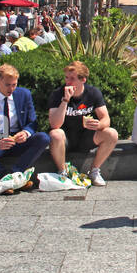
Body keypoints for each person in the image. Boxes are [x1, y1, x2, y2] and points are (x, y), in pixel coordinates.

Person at [0, 63, 51, 186]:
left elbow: (32, 122)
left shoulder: (24, 94)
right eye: (7, 85)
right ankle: (6, 177)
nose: (11, 89)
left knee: (43, 138)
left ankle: (16, 172)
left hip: (17, 141)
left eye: (14, 85)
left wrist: (25, 133)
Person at [48, 60, 119, 188]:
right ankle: (62, 172)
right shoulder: (58, 94)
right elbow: (54, 124)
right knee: (55, 134)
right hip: (66, 139)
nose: (68, 82)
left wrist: (99, 125)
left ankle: (94, 171)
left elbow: (106, 119)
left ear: (83, 80)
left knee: (111, 134)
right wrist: (65, 101)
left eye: (72, 79)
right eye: (66, 78)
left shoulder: (93, 93)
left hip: (86, 137)